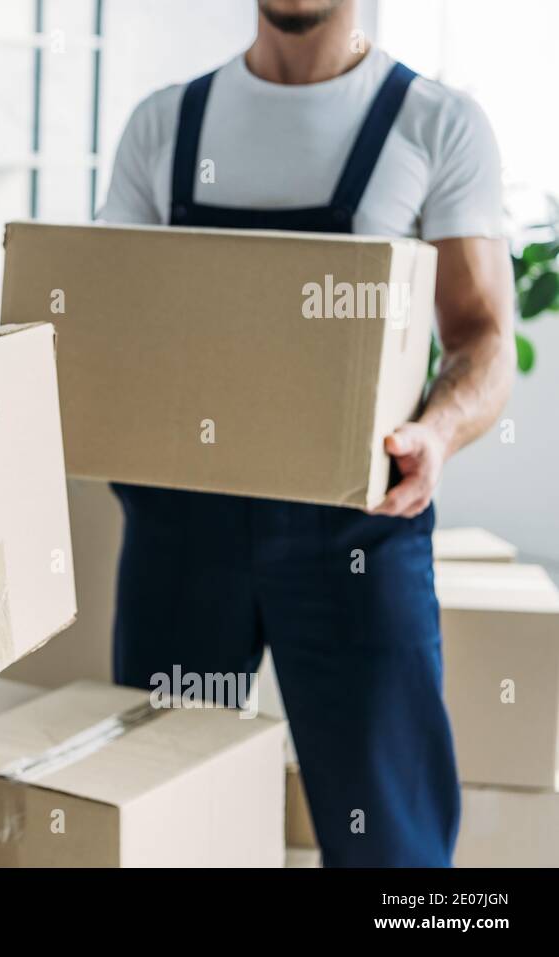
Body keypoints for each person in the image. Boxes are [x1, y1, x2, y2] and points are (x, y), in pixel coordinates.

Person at [99, 0, 514, 866]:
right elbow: (115, 323)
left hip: (356, 531)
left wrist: (436, 433)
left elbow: (481, 336)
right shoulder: (166, 126)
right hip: (184, 529)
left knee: (390, 843)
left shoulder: (434, 124)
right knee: (163, 816)